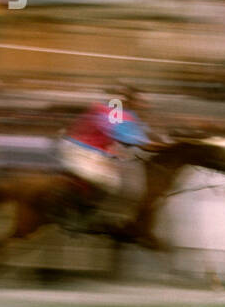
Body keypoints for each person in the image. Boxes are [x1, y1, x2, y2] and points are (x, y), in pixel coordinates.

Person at [57, 85, 159, 228]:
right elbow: (131, 138)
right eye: (141, 101)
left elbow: (143, 134)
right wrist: (162, 146)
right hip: (78, 150)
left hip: (96, 151)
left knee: (121, 174)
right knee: (111, 180)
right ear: (130, 100)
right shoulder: (112, 110)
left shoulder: (129, 113)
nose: (145, 105)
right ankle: (81, 215)